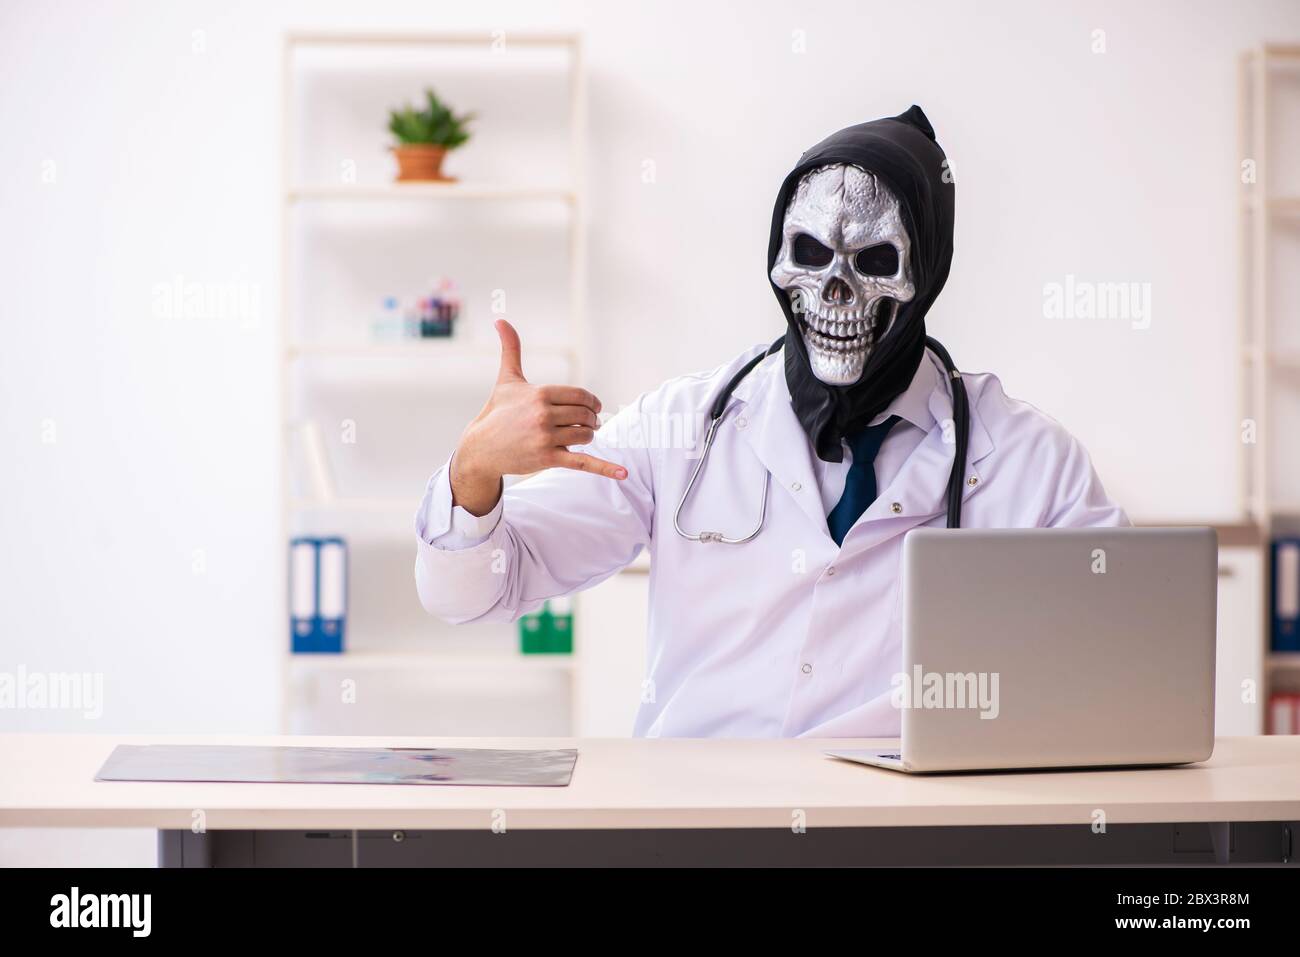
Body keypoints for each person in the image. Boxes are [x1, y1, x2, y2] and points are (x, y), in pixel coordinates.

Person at [414, 106, 1128, 737]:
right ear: (778, 260)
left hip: (907, 833)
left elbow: (1125, 667)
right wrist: (473, 470)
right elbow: (470, 596)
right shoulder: (683, 427)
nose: (835, 289)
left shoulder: (1029, 461)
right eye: (809, 255)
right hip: (698, 826)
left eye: (876, 261)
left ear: (926, 270)